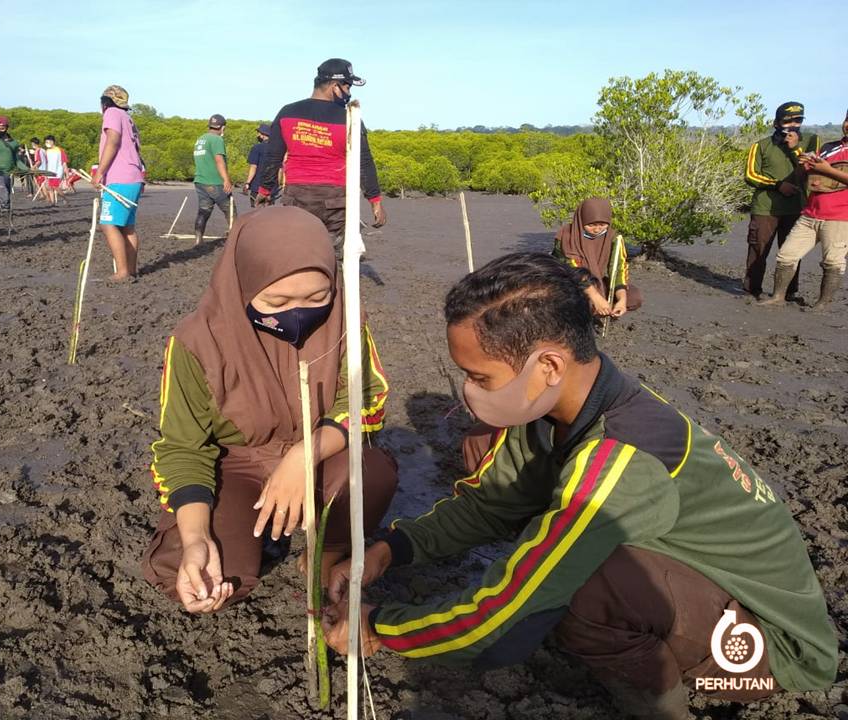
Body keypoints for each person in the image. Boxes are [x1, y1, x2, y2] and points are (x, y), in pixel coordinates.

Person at [322, 253, 837, 719]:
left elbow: (501, 621)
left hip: (775, 648)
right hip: (697, 584)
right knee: (573, 567)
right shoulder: (563, 399)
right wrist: (391, 547)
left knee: (590, 589)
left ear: (547, 364)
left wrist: (381, 626)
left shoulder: (623, 454)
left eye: (479, 377)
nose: (468, 393)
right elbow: (489, 506)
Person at [141, 206, 397, 613]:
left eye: (317, 296)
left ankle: (327, 552)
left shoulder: (347, 319)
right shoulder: (197, 342)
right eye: (276, 300)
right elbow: (183, 448)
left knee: (371, 473)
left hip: (319, 453)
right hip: (236, 464)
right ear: (242, 285)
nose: (297, 313)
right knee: (214, 579)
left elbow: (364, 397)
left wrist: (303, 454)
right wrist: (196, 538)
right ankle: (247, 535)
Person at [255, 58, 387, 248]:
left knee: (296, 250)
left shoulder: (287, 112)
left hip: (296, 197)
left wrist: (264, 190)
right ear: (335, 86)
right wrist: (375, 201)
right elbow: (364, 162)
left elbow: (272, 157)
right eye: (348, 87)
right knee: (332, 255)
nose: (349, 93)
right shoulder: (349, 118)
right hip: (334, 200)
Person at [759, 109, 848, 309]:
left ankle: (822, 304)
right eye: (847, 119)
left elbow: (825, 172)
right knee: (786, 255)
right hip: (810, 213)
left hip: (840, 217)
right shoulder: (829, 147)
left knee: (833, 262)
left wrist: (827, 170)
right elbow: (806, 175)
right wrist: (804, 163)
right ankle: (778, 297)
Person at [742, 102, 820, 301]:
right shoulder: (760, 146)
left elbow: (813, 168)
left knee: (792, 253)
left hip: (796, 207)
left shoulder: (812, 141)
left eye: (798, 120)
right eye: (788, 120)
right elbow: (750, 175)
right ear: (777, 123)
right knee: (758, 249)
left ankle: (788, 292)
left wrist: (794, 148)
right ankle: (753, 291)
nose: (793, 124)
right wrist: (778, 185)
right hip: (765, 208)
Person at [552, 197, 641, 317]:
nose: (597, 229)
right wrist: (595, 297)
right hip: (568, 283)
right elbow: (573, 270)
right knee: (575, 302)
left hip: (596, 280)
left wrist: (621, 299)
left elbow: (618, 268)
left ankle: (600, 308)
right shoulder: (567, 236)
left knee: (634, 297)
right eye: (592, 225)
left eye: (602, 225)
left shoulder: (614, 238)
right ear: (582, 220)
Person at [91, 85, 145, 281]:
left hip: (120, 177)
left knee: (108, 224)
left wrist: (100, 172)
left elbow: (113, 140)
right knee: (127, 227)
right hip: (133, 176)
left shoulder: (112, 113)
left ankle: (122, 272)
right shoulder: (128, 118)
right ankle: (130, 270)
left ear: (105, 102)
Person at [192, 114, 235, 244]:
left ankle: (198, 240)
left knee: (204, 211)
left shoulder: (200, 139)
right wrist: (226, 179)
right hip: (215, 182)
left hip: (200, 181)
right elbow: (219, 160)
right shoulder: (217, 140)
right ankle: (234, 241)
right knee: (231, 210)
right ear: (222, 127)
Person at [243, 123, 274, 207]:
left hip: (257, 186)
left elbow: (253, 167)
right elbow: (279, 170)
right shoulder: (276, 149)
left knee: (257, 213)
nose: (258, 135)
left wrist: (247, 183)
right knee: (269, 212)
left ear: (263, 135)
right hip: (271, 187)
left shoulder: (257, 148)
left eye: (259, 133)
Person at [42, 135, 69, 205]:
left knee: (55, 187)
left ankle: (65, 198)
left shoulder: (60, 150)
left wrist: (67, 173)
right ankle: (53, 203)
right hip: (49, 171)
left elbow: (64, 162)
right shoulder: (47, 151)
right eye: (46, 142)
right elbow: (47, 162)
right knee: (49, 188)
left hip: (58, 171)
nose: (47, 143)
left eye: (48, 141)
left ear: (53, 142)